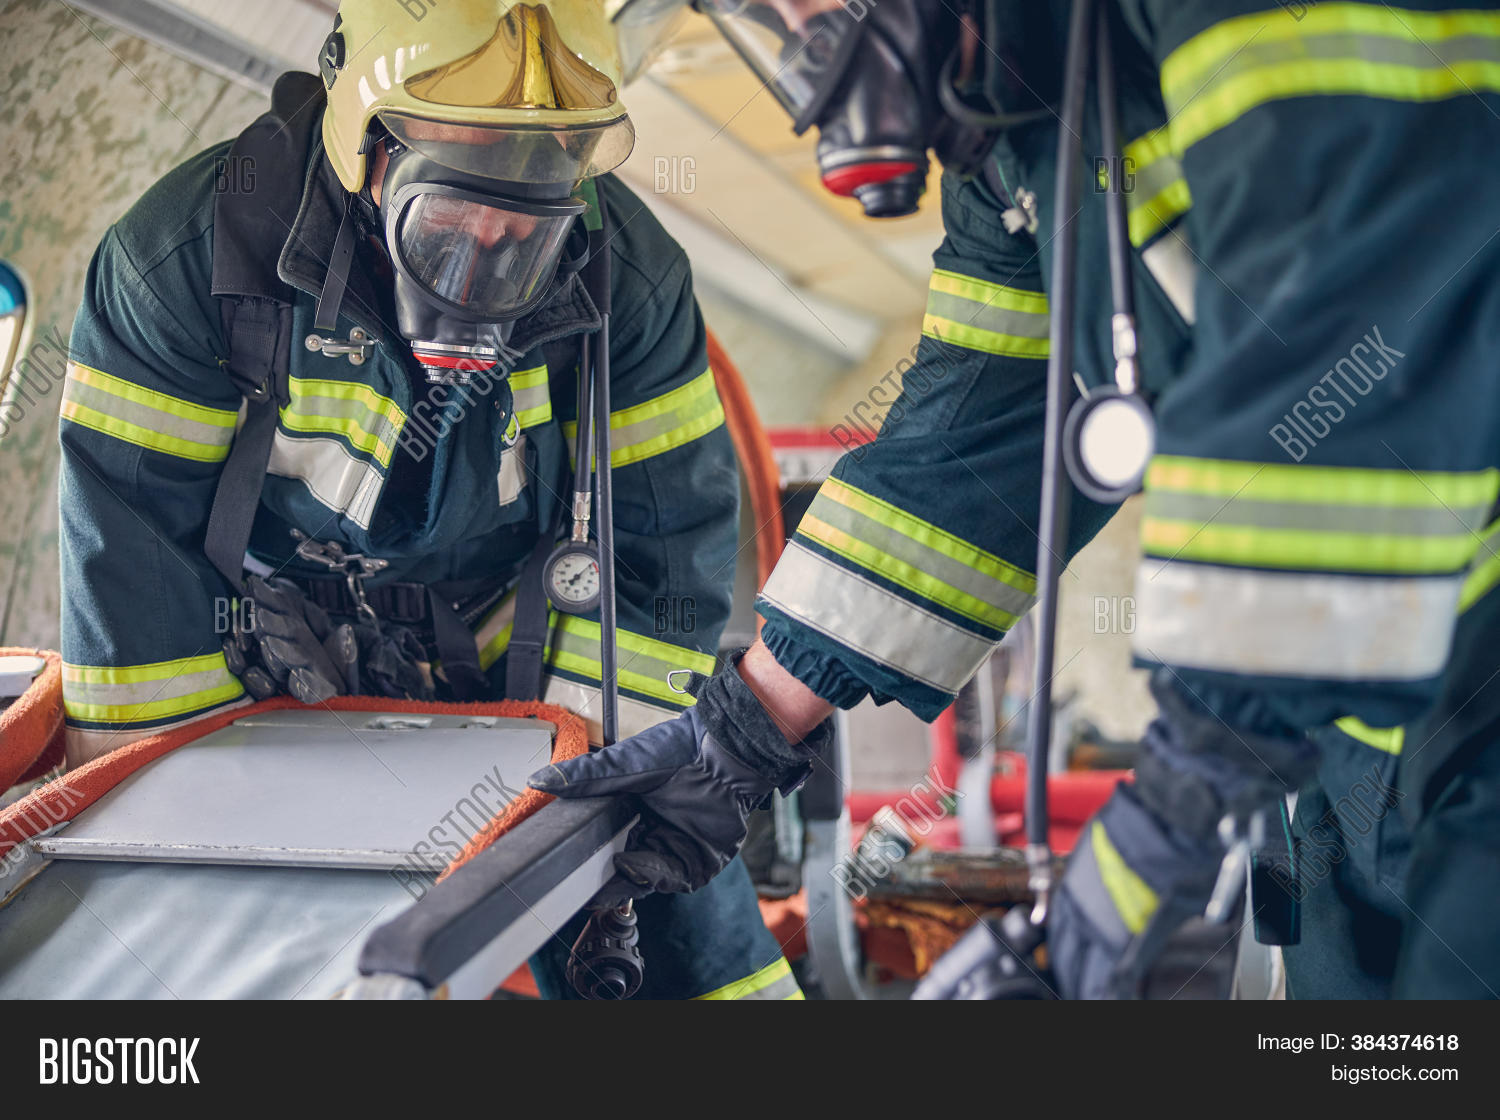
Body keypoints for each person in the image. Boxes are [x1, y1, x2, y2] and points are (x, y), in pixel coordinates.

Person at [536, 0, 1500, 998]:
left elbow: (1360, 329)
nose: (795, 44)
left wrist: (1182, 793)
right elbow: (970, 443)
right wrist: (742, 727)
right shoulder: (1019, 149)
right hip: (1352, 725)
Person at [57, 0, 799, 1001]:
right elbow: (133, 592)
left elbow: (666, 554)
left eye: (525, 231)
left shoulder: (635, 279)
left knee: (692, 939)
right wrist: (194, 848)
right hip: (278, 668)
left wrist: (582, 800)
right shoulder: (187, 262)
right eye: (449, 219)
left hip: (527, 660)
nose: (484, 261)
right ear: (367, 153)